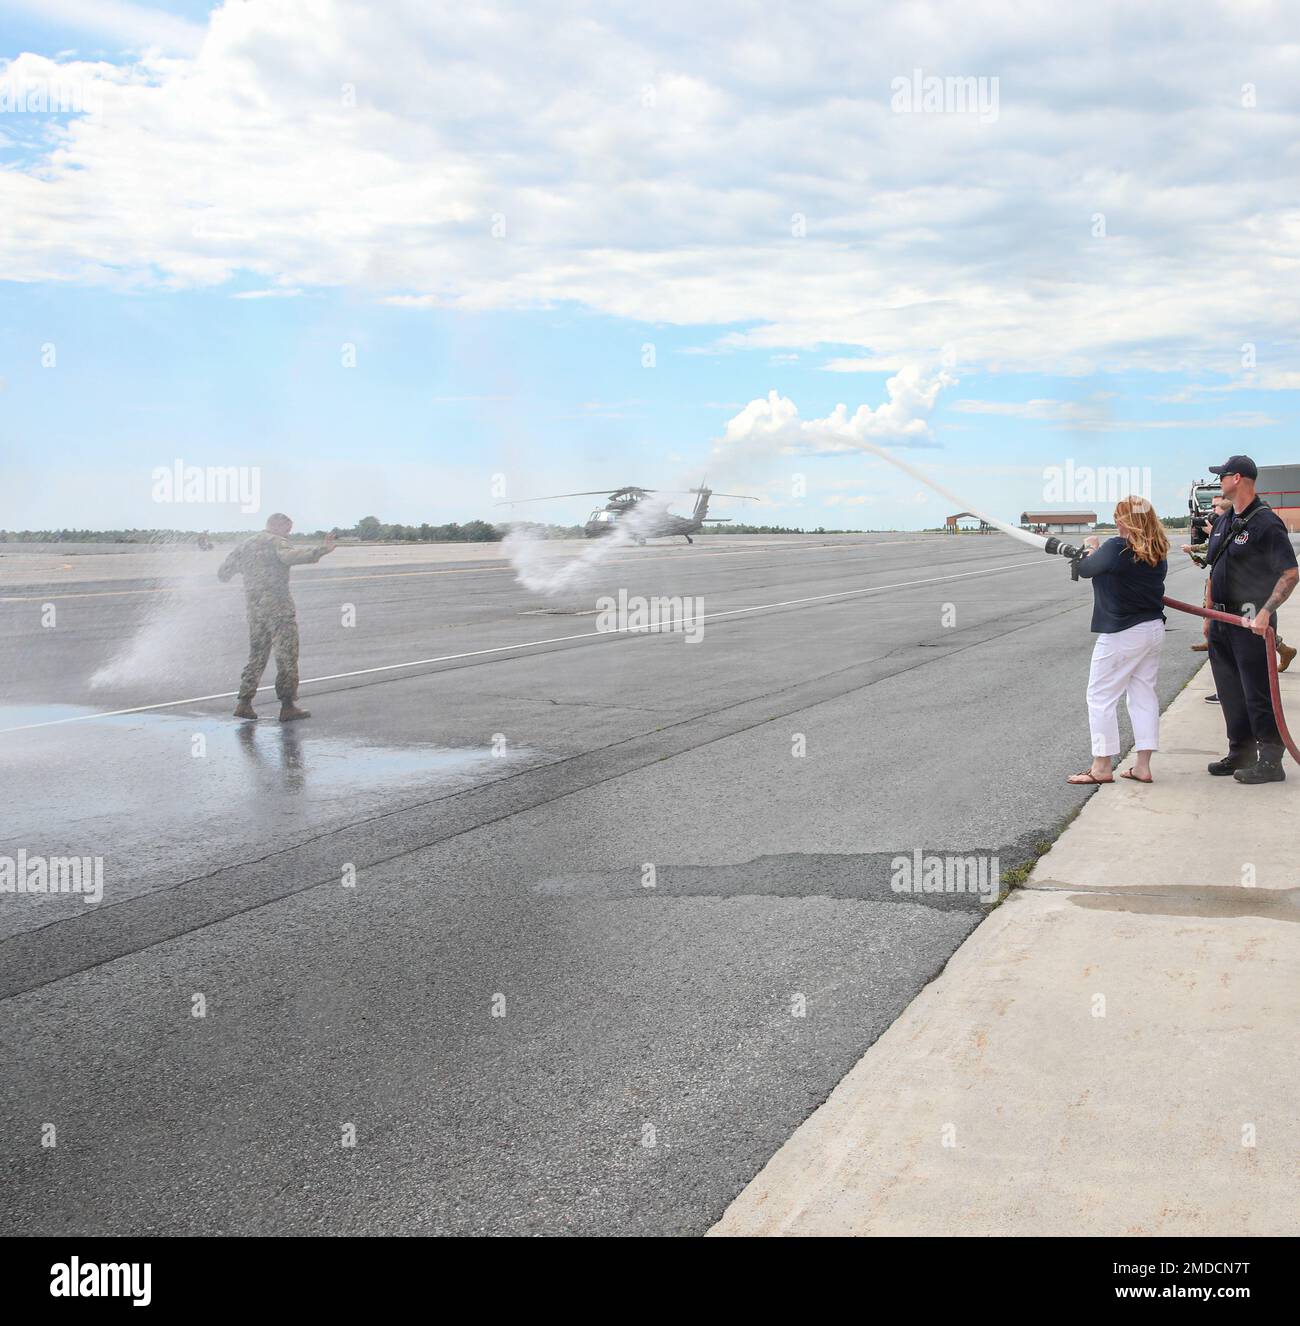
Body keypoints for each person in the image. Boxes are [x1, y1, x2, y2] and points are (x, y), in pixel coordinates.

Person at [1201, 456, 1299, 782]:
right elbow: (1215, 570)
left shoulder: (1265, 523)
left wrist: (1267, 612)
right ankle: (1240, 751)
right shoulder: (1226, 520)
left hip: (1251, 622)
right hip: (1221, 622)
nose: (1219, 481)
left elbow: (1289, 573)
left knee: (1258, 693)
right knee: (1230, 691)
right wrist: (1208, 614)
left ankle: (1271, 762)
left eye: (1222, 476)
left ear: (1238, 478)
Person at [1066, 497, 1169, 786]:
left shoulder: (1115, 547)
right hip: (1152, 629)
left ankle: (1101, 766)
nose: (1116, 523)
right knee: (1143, 696)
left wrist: (1090, 545)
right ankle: (1143, 766)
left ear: (1126, 521)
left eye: (1118, 518)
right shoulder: (1157, 550)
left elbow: (1085, 569)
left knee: (1100, 696)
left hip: (1122, 632)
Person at [218, 513, 337, 721]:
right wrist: (322, 550)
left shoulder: (246, 545)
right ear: (278, 525)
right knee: (286, 656)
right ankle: (287, 705)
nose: (288, 534)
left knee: (257, 655)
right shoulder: (277, 542)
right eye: (287, 529)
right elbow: (291, 556)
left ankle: (244, 702)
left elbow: (223, 573)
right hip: (279, 609)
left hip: (255, 610)